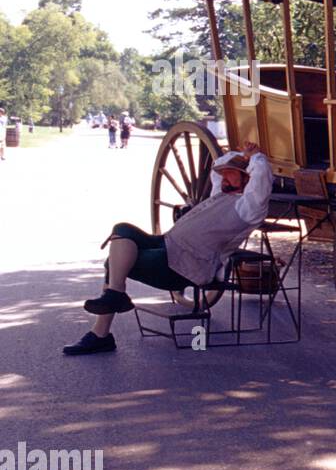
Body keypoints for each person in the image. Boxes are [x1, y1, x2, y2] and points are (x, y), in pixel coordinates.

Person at [63, 142, 273, 355]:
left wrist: (254, 157)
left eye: (231, 173)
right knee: (122, 230)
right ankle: (115, 296)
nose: (224, 176)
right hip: (167, 244)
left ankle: (101, 332)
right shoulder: (222, 193)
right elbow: (217, 165)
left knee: (115, 262)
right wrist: (242, 157)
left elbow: (262, 177)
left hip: (187, 264)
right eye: (224, 174)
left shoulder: (250, 206)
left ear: (247, 177)